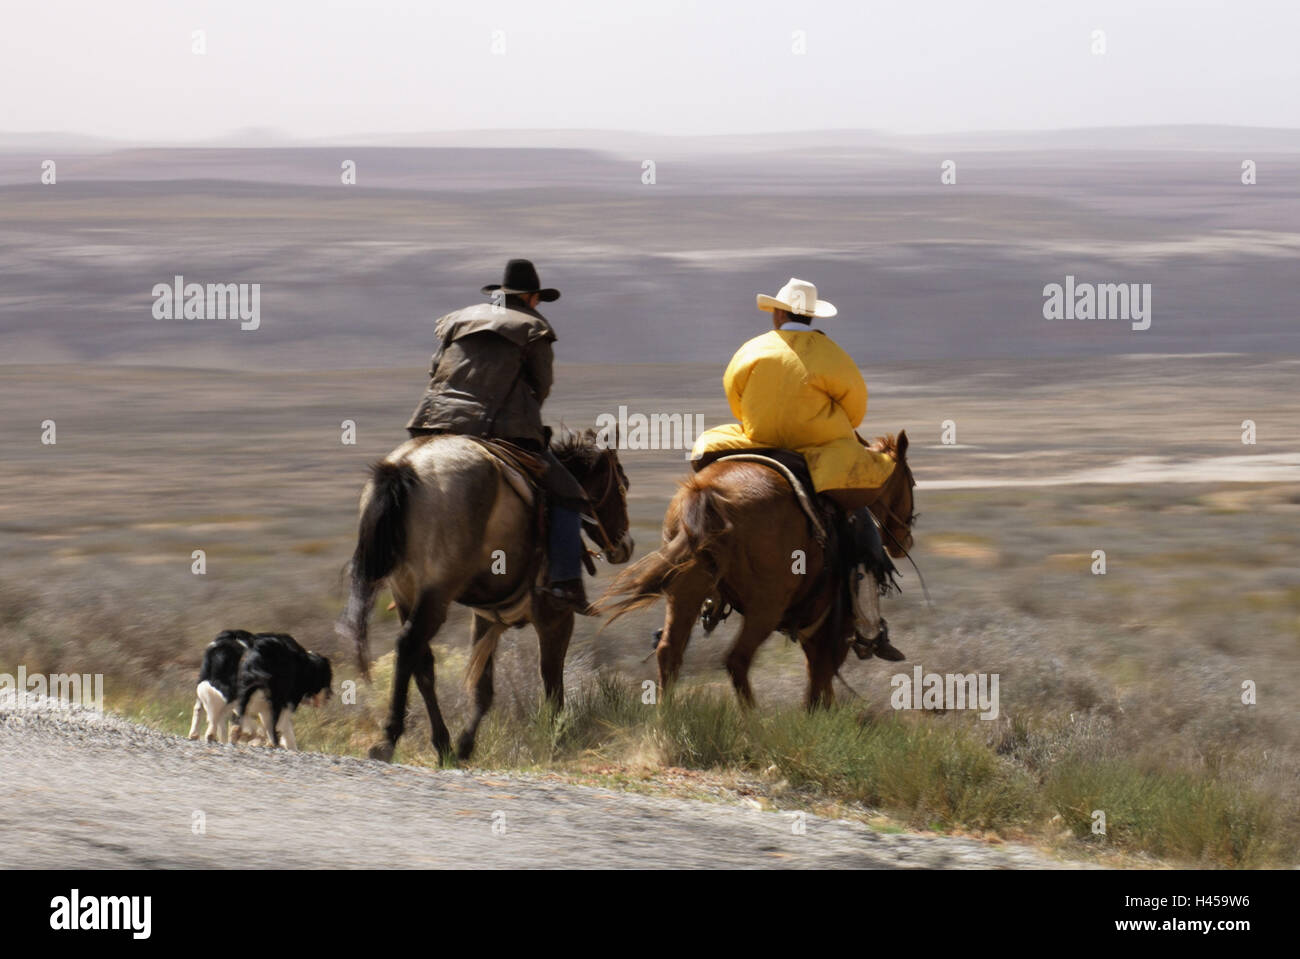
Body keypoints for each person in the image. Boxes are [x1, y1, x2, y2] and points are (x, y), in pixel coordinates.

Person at [691, 277, 905, 659]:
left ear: (777, 312)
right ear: (809, 315)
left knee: (703, 467)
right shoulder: (830, 353)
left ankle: (705, 595)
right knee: (858, 523)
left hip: (758, 441)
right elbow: (856, 409)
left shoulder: (752, 349)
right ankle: (868, 625)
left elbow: (734, 395)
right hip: (816, 451)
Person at [405, 258, 590, 612]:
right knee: (570, 497)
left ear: (501, 294)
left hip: (433, 423)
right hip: (503, 430)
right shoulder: (535, 327)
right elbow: (541, 385)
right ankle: (566, 583)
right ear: (533, 297)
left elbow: (434, 369)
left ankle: (400, 571)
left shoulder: (458, 320)